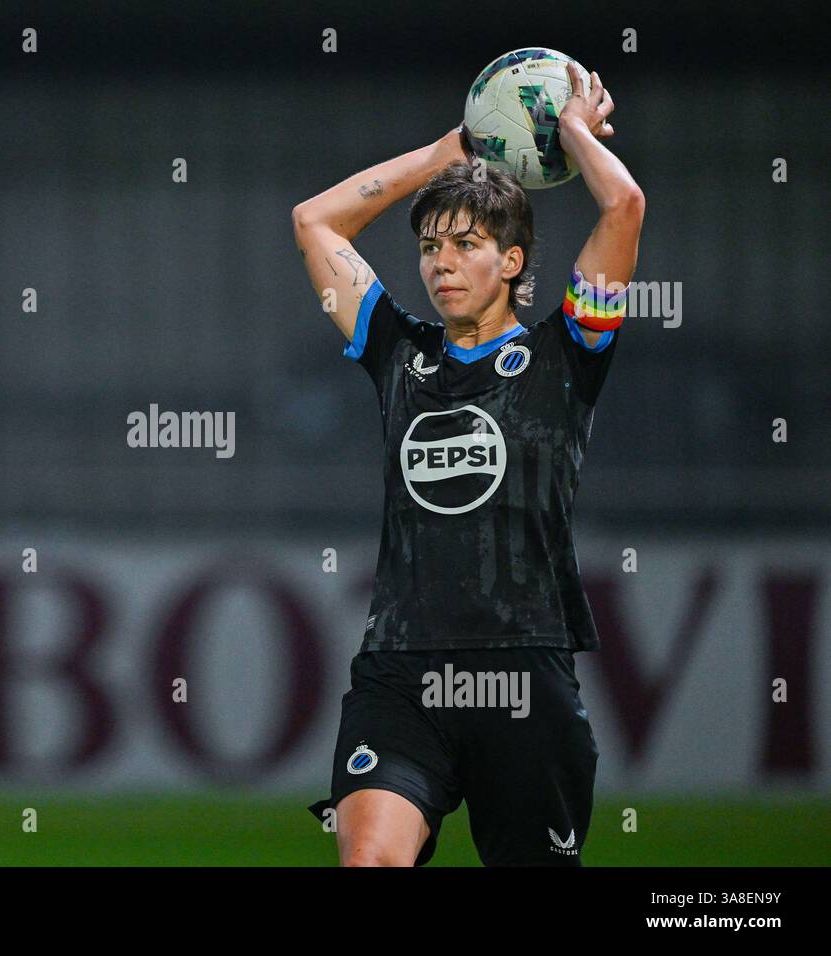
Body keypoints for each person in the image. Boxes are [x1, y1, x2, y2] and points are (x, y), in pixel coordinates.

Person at [292, 63, 644, 866]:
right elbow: (315, 222)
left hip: (524, 675)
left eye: (465, 244)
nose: (440, 263)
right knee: (369, 860)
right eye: (429, 247)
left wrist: (573, 132)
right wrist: (444, 153)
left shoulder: (567, 352)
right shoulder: (397, 354)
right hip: (401, 669)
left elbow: (624, 205)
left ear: (512, 262)